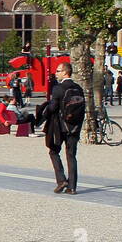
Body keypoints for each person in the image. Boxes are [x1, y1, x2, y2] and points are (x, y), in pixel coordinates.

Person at [38, 61, 85, 194]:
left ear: (65, 72)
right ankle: (72, 187)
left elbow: (53, 107)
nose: (56, 73)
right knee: (71, 155)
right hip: (75, 126)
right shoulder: (78, 88)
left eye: (58, 71)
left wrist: (42, 115)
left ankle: (61, 180)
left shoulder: (58, 88)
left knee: (53, 151)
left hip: (61, 126)